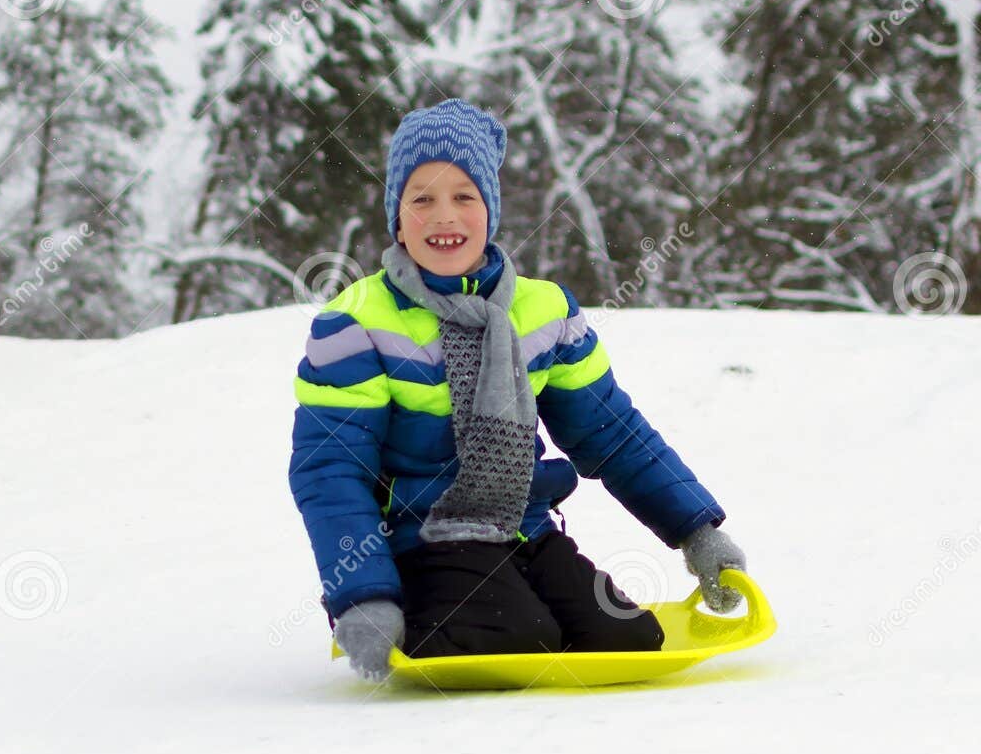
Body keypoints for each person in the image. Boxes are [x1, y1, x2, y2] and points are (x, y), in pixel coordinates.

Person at [288, 98, 747, 682]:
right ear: (396, 216)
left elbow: (611, 432)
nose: (442, 216)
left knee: (627, 638)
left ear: (491, 209)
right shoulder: (355, 324)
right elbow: (330, 469)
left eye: (464, 196)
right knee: (518, 637)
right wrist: (362, 596)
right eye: (421, 198)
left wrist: (695, 530)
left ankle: (519, 593)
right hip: (422, 540)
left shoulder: (543, 310)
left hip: (524, 528)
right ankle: (426, 610)